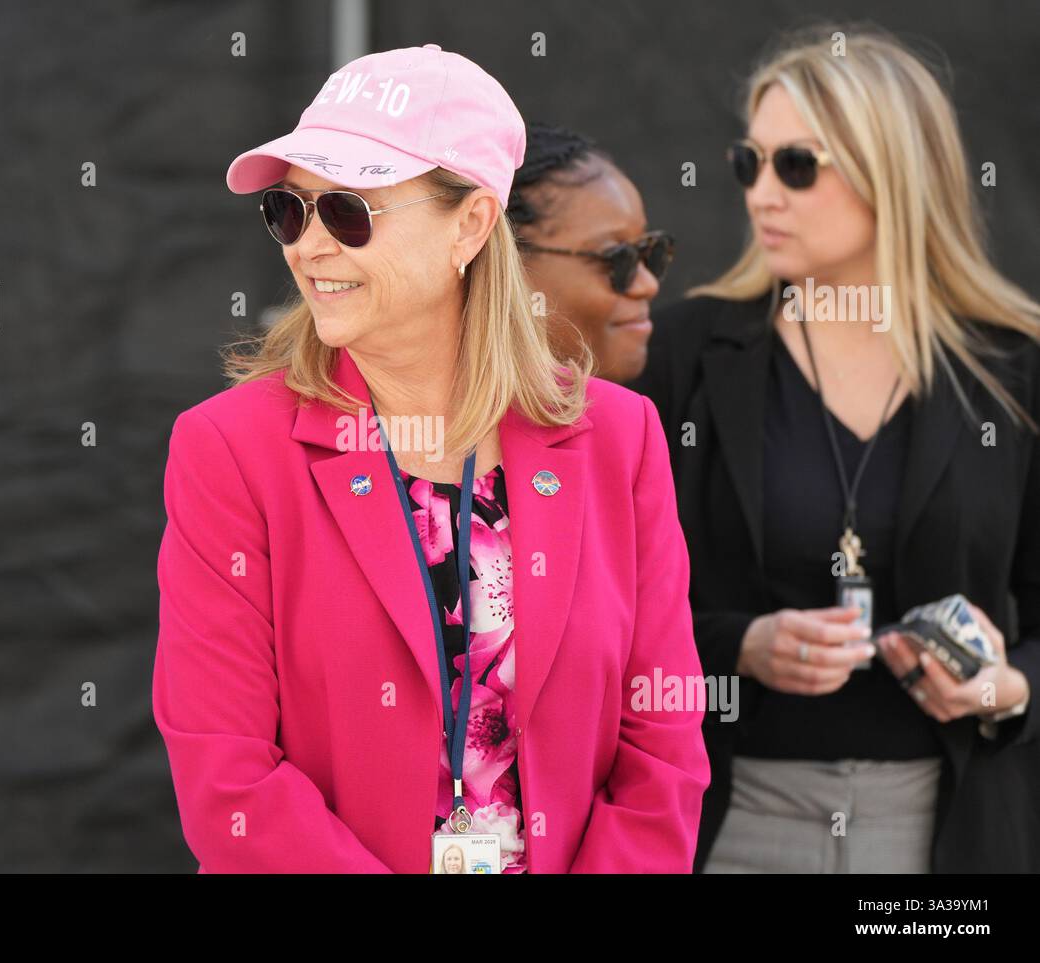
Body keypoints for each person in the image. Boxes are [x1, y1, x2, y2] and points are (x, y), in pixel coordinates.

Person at [152, 43, 709, 873]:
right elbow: (228, 777)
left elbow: (661, 750)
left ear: (474, 222)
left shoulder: (619, 438)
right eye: (288, 212)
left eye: (347, 210)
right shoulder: (229, 449)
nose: (308, 245)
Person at [631, 27, 1040, 873]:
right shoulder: (681, 354)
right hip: (728, 815)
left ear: (893, 173)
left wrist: (1005, 685)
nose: (762, 196)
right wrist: (738, 645)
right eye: (751, 163)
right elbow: (605, 604)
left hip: (946, 825)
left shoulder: (1013, 369)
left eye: (798, 166)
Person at [508, 123, 674, 383]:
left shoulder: (653, 410)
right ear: (510, 268)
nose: (648, 285)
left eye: (650, 251)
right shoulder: (439, 416)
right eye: (617, 258)